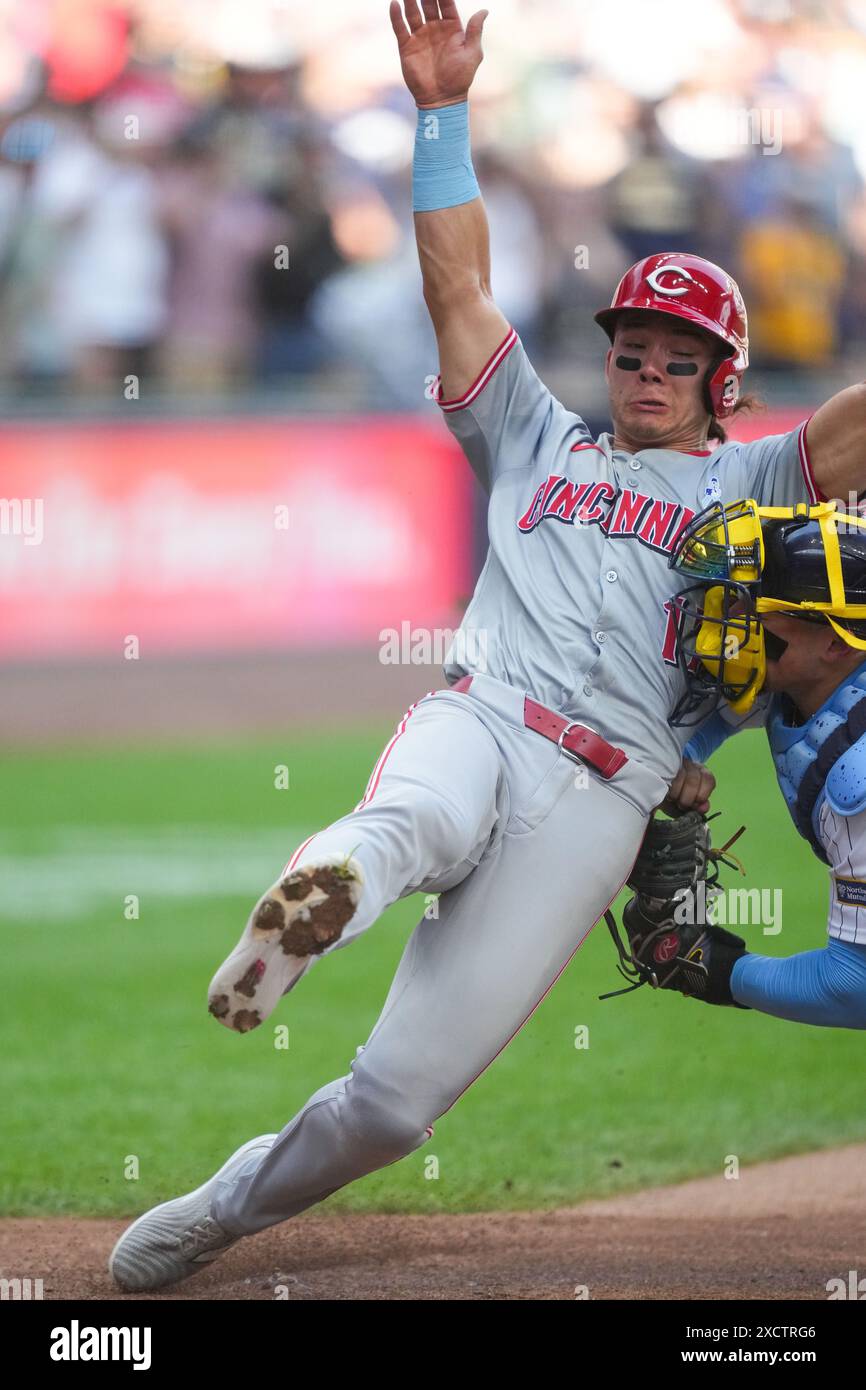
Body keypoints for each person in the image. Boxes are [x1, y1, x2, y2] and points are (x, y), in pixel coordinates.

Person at [109, 2, 866, 1292]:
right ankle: (316, 901)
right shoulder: (532, 432)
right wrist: (440, 116)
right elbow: (453, 282)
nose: (643, 366)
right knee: (410, 816)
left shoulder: (756, 484)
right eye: (631, 345)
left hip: (610, 788)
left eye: (676, 357)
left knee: (397, 1105)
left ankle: (219, 1209)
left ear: (720, 381)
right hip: (489, 708)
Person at [660, 501, 866, 1029]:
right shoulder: (802, 677)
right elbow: (703, 724)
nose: (731, 623)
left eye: (756, 612)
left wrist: (718, 967)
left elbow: (853, 986)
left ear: (838, 646)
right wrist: (668, 767)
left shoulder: (857, 780)